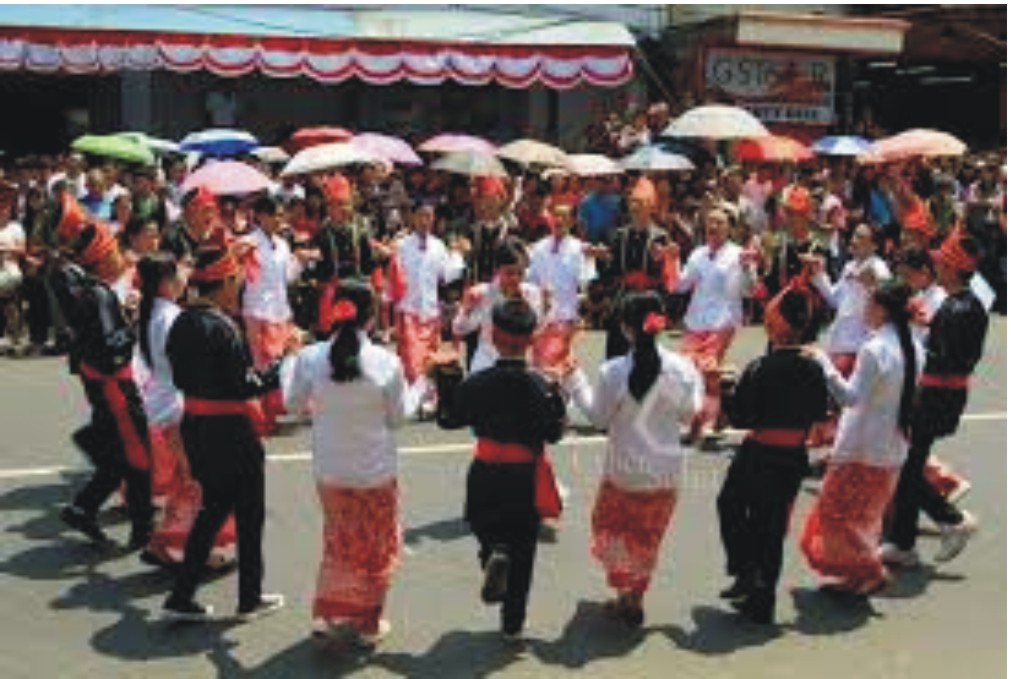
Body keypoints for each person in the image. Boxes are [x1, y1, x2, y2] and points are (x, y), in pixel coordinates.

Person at [561, 292, 702, 626]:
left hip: (623, 472)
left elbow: (598, 418)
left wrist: (575, 379)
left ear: (626, 328)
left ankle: (627, 592)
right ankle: (634, 595)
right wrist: (701, 380)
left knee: (608, 529)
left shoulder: (614, 370)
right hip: (666, 473)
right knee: (647, 538)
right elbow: (691, 413)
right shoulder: (682, 368)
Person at [161, 247, 284, 622]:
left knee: (212, 510)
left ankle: (182, 596)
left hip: (197, 425)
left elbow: (179, 375)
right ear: (226, 282)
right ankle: (249, 597)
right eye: (237, 279)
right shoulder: (221, 326)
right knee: (249, 513)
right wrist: (279, 368)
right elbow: (243, 385)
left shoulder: (182, 321)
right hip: (230, 430)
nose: (240, 285)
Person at [285, 280, 409, 647]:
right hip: (375, 472)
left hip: (330, 469)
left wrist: (290, 357)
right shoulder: (387, 362)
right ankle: (369, 623)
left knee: (339, 541)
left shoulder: (310, 358)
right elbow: (398, 420)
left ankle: (330, 613)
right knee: (377, 546)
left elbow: (292, 406)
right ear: (371, 318)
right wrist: (418, 389)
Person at [440, 298, 567, 642]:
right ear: (531, 340)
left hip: (485, 470)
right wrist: (560, 396)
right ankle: (512, 624)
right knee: (524, 550)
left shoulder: (476, 383)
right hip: (524, 476)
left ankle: (493, 552)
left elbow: (448, 419)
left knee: (485, 527)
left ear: (493, 335)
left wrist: (447, 380)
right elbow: (554, 433)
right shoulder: (540, 386)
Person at [716, 287, 830, 624]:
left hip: (760, 452)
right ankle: (758, 590)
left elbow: (740, 417)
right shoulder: (814, 367)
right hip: (792, 455)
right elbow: (819, 413)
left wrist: (726, 389)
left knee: (732, 506)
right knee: (772, 525)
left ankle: (747, 572)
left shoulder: (761, 367)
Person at [800, 283, 922, 595]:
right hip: (891, 445)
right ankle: (857, 574)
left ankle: (868, 569)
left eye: (869, 303)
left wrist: (824, 363)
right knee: (865, 516)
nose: (865, 309)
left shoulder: (875, 349)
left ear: (882, 309)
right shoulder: (915, 347)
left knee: (837, 513)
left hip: (862, 446)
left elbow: (849, 397)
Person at [880, 232, 988, 566]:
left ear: (954, 268)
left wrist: (918, 335)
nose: (936, 265)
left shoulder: (959, 309)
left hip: (938, 393)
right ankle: (902, 541)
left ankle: (952, 521)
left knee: (908, 468)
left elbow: (945, 357)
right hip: (939, 391)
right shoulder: (961, 305)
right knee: (909, 465)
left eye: (942, 261)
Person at [50, 206, 154, 549]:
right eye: (112, 251)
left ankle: (83, 507)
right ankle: (143, 529)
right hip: (116, 386)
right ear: (101, 258)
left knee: (117, 458)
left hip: (102, 382)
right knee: (138, 457)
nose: (118, 256)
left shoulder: (89, 289)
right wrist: (133, 323)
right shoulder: (99, 293)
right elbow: (114, 348)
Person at [134, 254, 236, 570]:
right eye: (179, 274)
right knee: (201, 479)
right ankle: (196, 549)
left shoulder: (152, 313)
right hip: (177, 405)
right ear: (166, 282)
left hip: (160, 401)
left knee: (188, 479)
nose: (184, 279)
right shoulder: (172, 317)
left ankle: (165, 541)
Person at [673, 204, 759, 440]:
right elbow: (681, 284)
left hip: (723, 322)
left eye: (719, 222)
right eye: (710, 221)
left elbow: (750, 291)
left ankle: (701, 421)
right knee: (686, 370)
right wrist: (671, 259)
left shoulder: (738, 253)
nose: (713, 226)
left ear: (729, 228)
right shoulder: (697, 254)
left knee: (706, 368)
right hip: (696, 322)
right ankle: (723, 407)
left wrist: (746, 268)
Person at [395, 199, 464, 412]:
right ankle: (417, 400)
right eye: (422, 215)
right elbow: (393, 280)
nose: (426, 221)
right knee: (413, 359)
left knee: (430, 358)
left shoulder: (438, 245)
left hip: (431, 311)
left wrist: (457, 254)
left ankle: (426, 399)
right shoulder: (402, 245)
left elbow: (447, 276)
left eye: (430, 216)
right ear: (413, 218)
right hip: (409, 310)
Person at [598, 177, 675, 359]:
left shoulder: (661, 236)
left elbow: (665, 274)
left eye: (640, 202)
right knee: (617, 349)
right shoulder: (618, 235)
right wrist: (602, 259)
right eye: (633, 202)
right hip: (624, 297)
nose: (635, 207)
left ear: (650, 207)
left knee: (645, 350)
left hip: (649, 298)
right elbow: (611, 271)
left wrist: (661, 259)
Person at [452, 238, 543, 374]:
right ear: (497, 270)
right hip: (487, 359)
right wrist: (466, 309)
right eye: (509, 273)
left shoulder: (532, 293)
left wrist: (540, 309)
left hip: (521, 359)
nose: (515, 279)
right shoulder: (483, 293)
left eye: (520, 273)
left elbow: (537, 330)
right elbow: (459, 329)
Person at [526, 201, 591, 374]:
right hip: (541, 317)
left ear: (571, 221)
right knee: (541, 367)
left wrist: (581, 311)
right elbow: (530, 280)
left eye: (564, 216)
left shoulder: (579, 248)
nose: (559, 220)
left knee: (560, 366)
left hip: (566, 318)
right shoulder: (539, 247)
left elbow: (585, 283)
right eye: (556, 215)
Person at [310, 175, 377, 338]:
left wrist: (380, 255)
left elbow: (369, 263)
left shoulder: (361, 230)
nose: (340, 209)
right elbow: (318, 267)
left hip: (359, 290)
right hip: (334, 290)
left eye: (343, 204)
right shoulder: (322, 233)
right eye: (334, 205)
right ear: (328, 207)